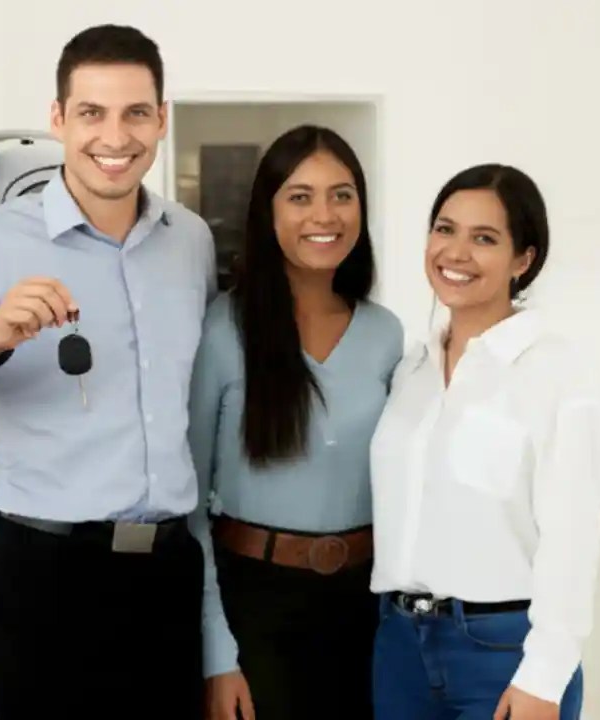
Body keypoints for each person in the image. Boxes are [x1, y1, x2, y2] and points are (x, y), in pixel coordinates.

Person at [0, 24, 216, 720]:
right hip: (49, 579)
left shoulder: (191, 242)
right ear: (58, 118)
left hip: (169, 574)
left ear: (161, 120)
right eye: (91, 113)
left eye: (135, 113)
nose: (114, 137)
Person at [368, 164, 600, 720]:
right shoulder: (412, 370)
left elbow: (573, 541)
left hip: (502, 652)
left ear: (523, 260)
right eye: (445, 229)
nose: (456, 252)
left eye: (484, 239)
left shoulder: (556, 371)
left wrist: (544, 678)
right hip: (399, 646)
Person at [186, 124, 404, 720]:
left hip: (364, 608)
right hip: (253, 607)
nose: (324, 215)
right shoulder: (224, 330)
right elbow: (189, 508)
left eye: (342, 194)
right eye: (300, 196)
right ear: (269, 210)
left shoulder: (387, 335)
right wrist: (216, 654)